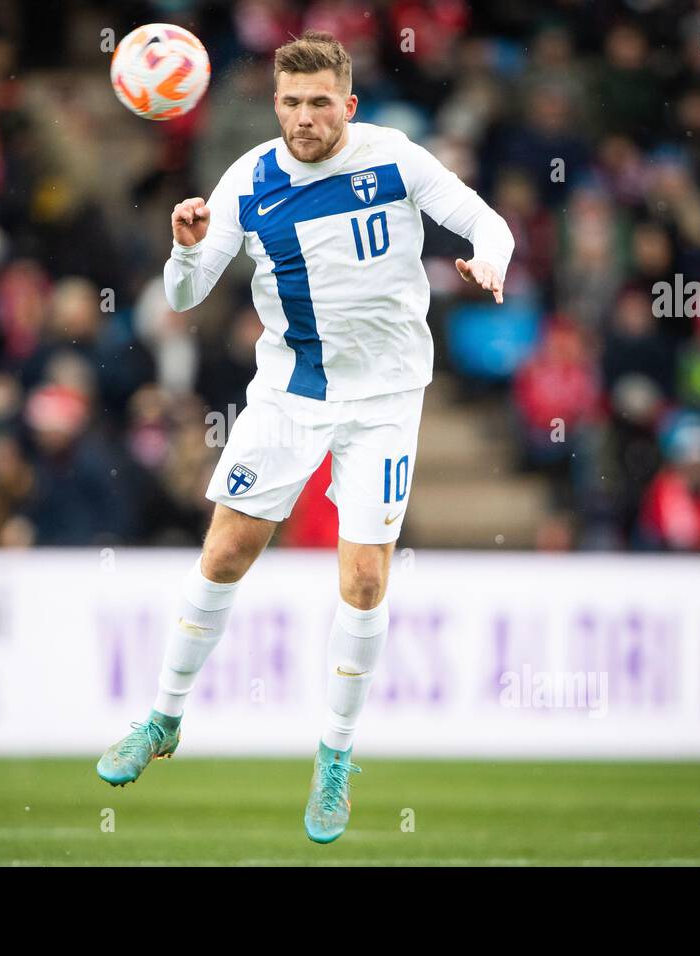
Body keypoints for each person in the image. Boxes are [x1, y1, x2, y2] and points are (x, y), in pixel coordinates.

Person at [96, 30, 513, 844]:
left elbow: (484, 222)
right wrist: (183, 250)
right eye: (290, 103)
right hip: (292, 393)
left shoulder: (393, 159)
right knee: (223, 553)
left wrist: (490, 261)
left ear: (347, 105)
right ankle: (161, 719)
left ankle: (334, 755)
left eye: (320, 103)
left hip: (387, 397)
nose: (305, 118)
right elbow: (184, 294)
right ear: (275, 105)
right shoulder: (248, 179)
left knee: (362, 580)